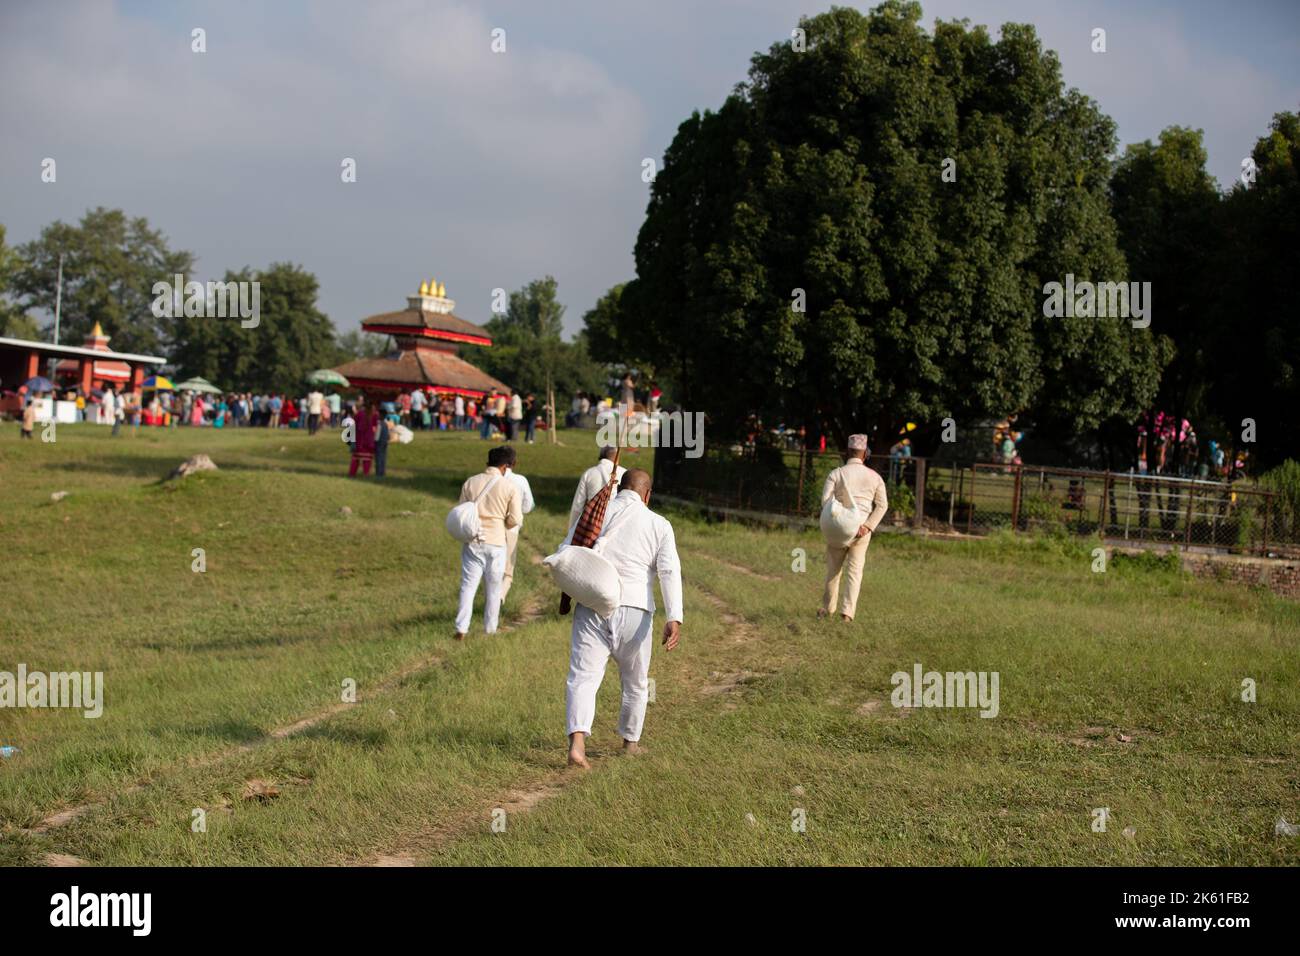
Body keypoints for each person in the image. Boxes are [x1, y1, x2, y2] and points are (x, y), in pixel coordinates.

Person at [562, 468, 682, 769]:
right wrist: (674, 616)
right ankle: (630, 744)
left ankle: (577, 744)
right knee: (636, 682)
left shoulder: (595, 514)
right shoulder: (659, 524)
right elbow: (668, 571)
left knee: (583, 677)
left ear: (618, 490)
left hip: (593, 604)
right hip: (636, 609)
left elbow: (570, 551)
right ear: (647, 495)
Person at [454, 445, 523, 640]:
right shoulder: (509, 487)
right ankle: (490, 629)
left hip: (473, 541)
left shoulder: (470, 482)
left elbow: (461, 511)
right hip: (496, 541)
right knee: (493, 587)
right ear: (505, 466)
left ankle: (461, 628)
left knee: (468, 586)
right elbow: (516, 519)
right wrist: (504, 522)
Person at [819, 435, 889, 623]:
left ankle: (826, 609)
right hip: (861, 531)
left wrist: (840, 518)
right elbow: (883, 505)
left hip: (838, 529)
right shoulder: (875, 477)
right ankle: (847, 614)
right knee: (855, 572)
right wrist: (867, 526)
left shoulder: (836, 473)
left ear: (846, 453)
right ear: (865, 454)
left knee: (833, 570)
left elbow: (825, 502)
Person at [500, 447, 535, 603]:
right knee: (507, 570)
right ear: (514, 462)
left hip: (489, 528)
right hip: (512, 529)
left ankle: (490, 598)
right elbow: (528, 506)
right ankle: (500, 596)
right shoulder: (520, 480)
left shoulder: (487, 479)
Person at [568, 446, 628, 530]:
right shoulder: (625, 473)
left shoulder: (589, 473)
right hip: (616, 525)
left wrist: (571, 531)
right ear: (616, 455)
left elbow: (577, 507)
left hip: (592, 525)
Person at [348, 402, 377, 477]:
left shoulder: (360, 414)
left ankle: (352, 473)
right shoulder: (374, 414)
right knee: (367, 459)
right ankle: (366, 473)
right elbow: (375, 427)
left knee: (356, 458)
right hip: (368, 440)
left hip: (359, 439)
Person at [374, 410, 390, 478]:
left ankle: (379, 473)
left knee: (378, 458)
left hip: (379, 443)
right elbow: (388, 435)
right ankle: (382, 472)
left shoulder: (379, 424)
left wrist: (374, 441)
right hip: (385, 442)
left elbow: (377, 436)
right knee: (383, 457)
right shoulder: (386, 424)